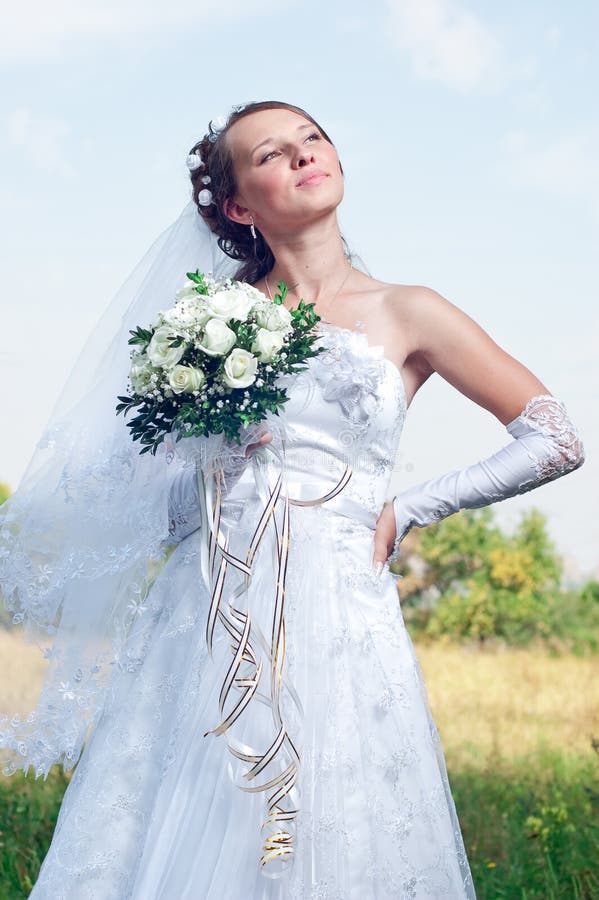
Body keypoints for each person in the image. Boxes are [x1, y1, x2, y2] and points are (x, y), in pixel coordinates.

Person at [0, 100, 584, 899]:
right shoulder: (209, 325)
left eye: (313, 138)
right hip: (208, 607)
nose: (305, 155)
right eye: (273, 153)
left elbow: (553, 438)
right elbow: (160, 503)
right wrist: (213, 466)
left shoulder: (409, 310)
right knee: (183, 811)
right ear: (239, 204)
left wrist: (409, 508)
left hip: (339, 606)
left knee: (334, 819)